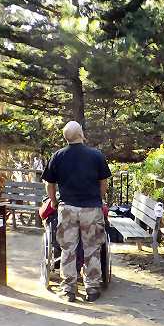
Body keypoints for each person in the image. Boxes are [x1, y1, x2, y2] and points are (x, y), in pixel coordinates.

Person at [42, 121, 111, 302]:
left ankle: (69, 289)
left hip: (67, 208)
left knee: (68, 249)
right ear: (81, 134)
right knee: (92, 249)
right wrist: (97, 198)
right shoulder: (96, 155)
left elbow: (50, 185)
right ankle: (93, 288)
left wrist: (55, 202)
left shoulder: (57, 156)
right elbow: (104, 184)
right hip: (91, 208)